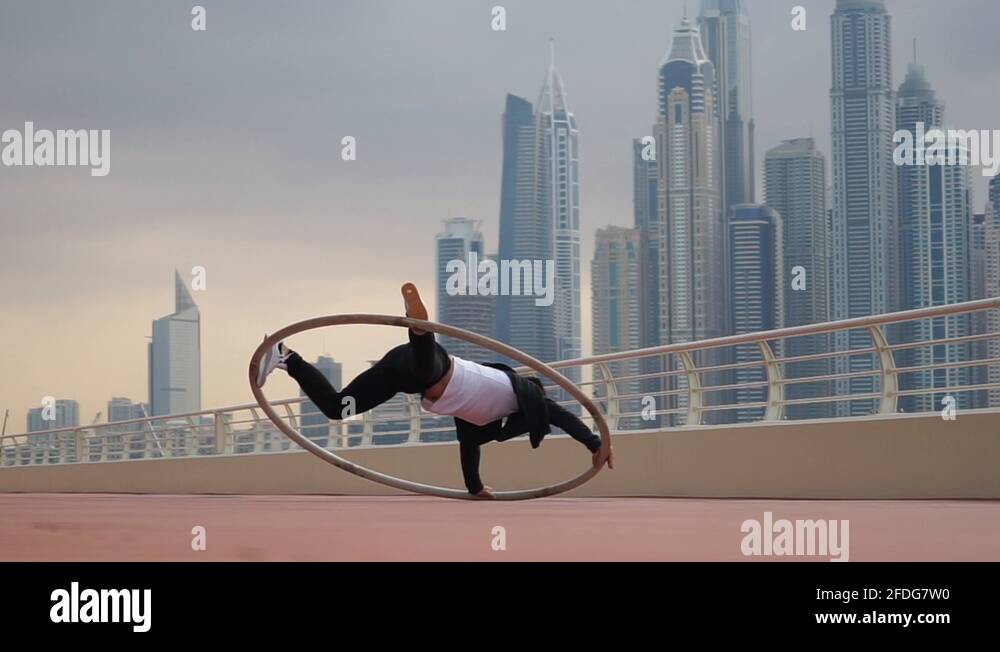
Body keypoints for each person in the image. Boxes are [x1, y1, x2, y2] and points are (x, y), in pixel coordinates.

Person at [256, 283, 613, 498]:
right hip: (431, 365)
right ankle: (419, 327)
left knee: (339, 408)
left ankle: (286, 357)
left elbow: (469, 451)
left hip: (405, 379)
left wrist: (475, 489)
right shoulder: (517, 391)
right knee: (427, 361)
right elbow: (561, 414)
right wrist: (596, 444)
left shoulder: (481, 417)